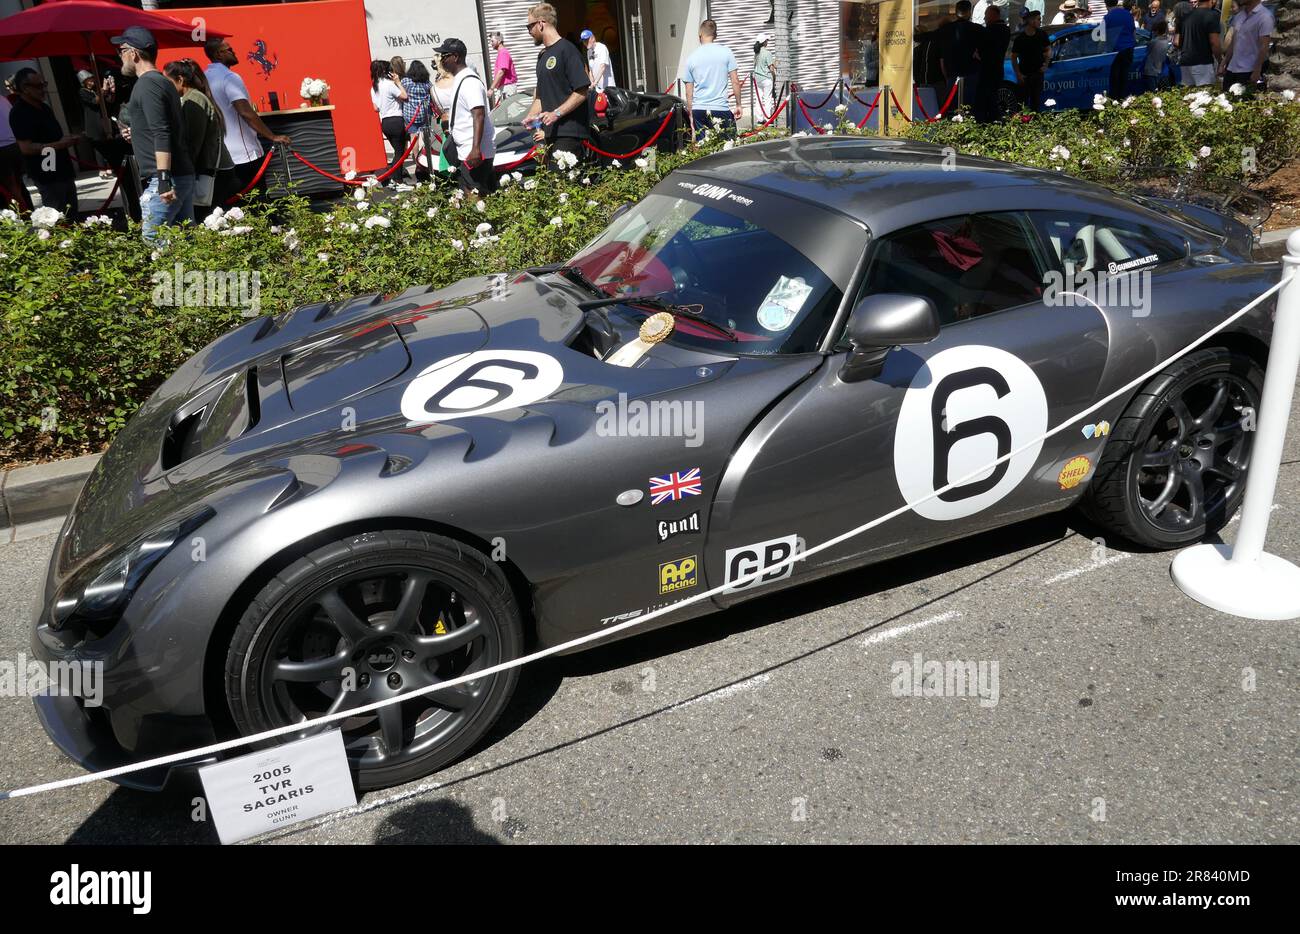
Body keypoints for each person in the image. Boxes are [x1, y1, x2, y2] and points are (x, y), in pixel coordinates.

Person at [112, 28, 194, 239]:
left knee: (152, 238)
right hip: (177, 174)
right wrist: (137, 132)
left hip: (168, 178)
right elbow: (162, 126)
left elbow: (162, 131)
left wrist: (164, 180)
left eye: (121, 50)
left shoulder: (147, 84)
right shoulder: (162, 82)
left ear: (134, 53)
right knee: (186, 240)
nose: (119, 56)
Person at [204, 38, 290, 205]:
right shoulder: (229, 77)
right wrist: (272, 136)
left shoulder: (205, 77)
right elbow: (245, 111)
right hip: (245, 155)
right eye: (230, 49)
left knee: (235, 207)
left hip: (222, 155)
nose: (234, 52)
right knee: (259, 204)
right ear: (219, 54)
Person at [524, 3, 591, 165]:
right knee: (553, 187)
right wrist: (530, 117)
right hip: (549, 135)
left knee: (565, 188)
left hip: (569, 134)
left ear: (541, 24)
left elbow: (582, 91)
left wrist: (556, 113)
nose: (529, 32)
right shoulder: (542, 57)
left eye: (529, 27)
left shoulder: (567, 50)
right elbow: (540, 97)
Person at [7, 66, 80, 214]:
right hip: (45, 171)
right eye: (39, 86)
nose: (43, 90)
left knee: (71, 210)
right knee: (56, 212)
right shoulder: (19, 112)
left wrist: (65, 140)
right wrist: (58, 145)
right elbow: (25, 147)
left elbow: (52, 135)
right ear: (25, 88)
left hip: (62, 167)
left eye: (44, 84)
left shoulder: (44, 108)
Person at [163, 59, 227, 213]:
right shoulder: (191, 98)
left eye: (167, 82)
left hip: (206, 170)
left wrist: (183, 171)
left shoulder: (194, 100)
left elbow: (193, 142)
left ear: (180, 79)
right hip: (205, 168)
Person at [434, 38, 496, 195]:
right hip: (465, 149)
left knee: (474, 194)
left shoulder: (469, 82)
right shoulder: (460, 79)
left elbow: (479, 115)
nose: (441, 60)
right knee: (469, 192)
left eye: (444, 56)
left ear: (455, 57)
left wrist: (475, 149)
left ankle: (481, 220)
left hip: (474, 152)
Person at [683, 18, 743, 140]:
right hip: (720, 108)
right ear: (715, 35)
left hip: (699, 109)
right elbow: (735, 81)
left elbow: (689, 92)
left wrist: (691, 115)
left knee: (705, 150)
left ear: (700, 34)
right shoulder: (726, 53)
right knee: (728, 148)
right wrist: (738, 104)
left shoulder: (691, 58)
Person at [1220, 0, 1275, 93]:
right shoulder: (1239, 16)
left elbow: (1264, 46)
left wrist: (1257, 70)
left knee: (1243, 103)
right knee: (1225, 99)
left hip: (1249, 70)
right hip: (1232, 68)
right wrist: (1223, 63)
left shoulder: (1265, 16)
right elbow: (1233, 42)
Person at [937, 1, 984, 108]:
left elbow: (943, 57)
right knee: (969, 107)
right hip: (970, 74)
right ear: (969, 12)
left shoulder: (947, 30)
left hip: (953, 74)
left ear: (955, 12)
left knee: (951, 106)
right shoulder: (977, 29)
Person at [370, 59, 409, 186]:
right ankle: (397, 180)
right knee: (400, 152)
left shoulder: (374, 87)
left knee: (398, 151)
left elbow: (376, 108)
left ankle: (394, 177)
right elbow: (404, 96)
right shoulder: (389, 84)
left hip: (385, 122)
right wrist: (398, 82)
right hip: (396, 120)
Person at [974, 5, 1011, 122]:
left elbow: (982, 49)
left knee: (986, 98)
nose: (985, 18)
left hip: (987, 70)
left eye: (986, 15)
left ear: (994, 15)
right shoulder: (1005, 30)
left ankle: (986, 121)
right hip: (997, 69)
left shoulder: (991, 31)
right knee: (993, 96)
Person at [1011, 9, 1052, 110]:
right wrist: (1018, 74)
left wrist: (1045, 65)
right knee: (1023, 103)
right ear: (1031, 21)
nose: (1040, 22)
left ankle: (1035, 122)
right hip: (1025, 75)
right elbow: (1013, 57)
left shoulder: (1042, 35)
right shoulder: (1020, 39)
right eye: (1038, 19)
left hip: (1037, 74)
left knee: (1036, 101)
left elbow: (1048, 50)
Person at [1175, 0, 1222, 86]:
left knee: (1188, 96)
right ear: (1211, 1)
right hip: (1203, 63)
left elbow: (1177, 42)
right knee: (1204, 96)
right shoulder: (1212, 15)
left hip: (1185, 62)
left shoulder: (1184, 16)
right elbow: (1214, 42)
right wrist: (1220, 61)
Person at [402, 60, 433, 181]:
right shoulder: (426, 83)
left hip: (411, 114)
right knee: (426, 137)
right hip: (424, 114)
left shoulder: (406, 82)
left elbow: (401, 91)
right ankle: (427, 158)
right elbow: (432, 92)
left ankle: (416, 160)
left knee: (413, 138)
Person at [0, 92, 32, 211]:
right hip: (15, 145)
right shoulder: (2, 98)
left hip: (3, 148)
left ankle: (23, 217)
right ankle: (29, 213)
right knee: (18, 186)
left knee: (12, 189)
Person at [1104, 0, 1136, 98]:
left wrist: (1101, 51)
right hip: (1128, 49)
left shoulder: (1107, 17)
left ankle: (1115, 102)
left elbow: (1103, 38)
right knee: (1124, 77)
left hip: (1115, 52)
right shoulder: (1128, 14)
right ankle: (1124, 100)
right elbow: (1134, 32)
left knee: (1115, 80)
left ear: (1106, 5)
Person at [753, 32, 778, 119]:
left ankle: (759, 119)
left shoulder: (756, 53)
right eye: (767, 40)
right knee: (767, 99)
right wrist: (774, 77)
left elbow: (755, 65)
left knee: (759, 99)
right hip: (767, 79)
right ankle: (768, 118)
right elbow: (771, 68)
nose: (767, 42)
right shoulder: (767, 53)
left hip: (758, 79)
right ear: (764, 42)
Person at [489, 32, 518, 105]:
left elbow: (501, 71)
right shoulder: (501, 53)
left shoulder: (503, 53)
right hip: (504, 88)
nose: (490, 43)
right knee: (505, 113)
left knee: (512, 113)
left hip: (507, 88)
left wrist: (491, 89)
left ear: (499, 41)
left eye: (492, 41)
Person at [1144, 19, 1172, 89]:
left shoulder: (1152, 42)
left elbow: (1147, 50)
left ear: (1156, 30)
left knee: (1153, 93)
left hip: (1151, 72)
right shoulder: (1167, 41)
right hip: (1162, 71)